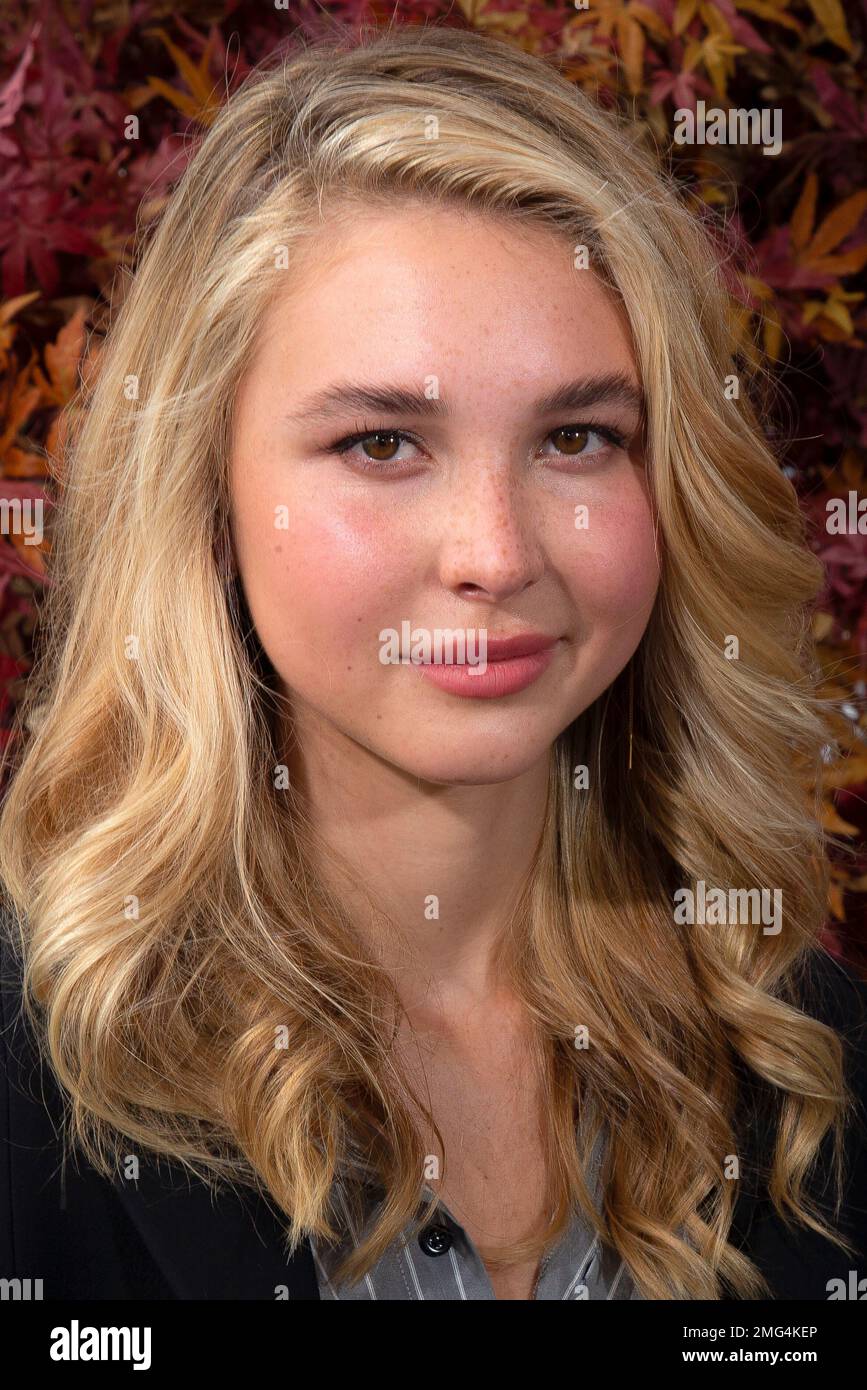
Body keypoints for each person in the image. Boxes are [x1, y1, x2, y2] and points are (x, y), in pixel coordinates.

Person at [0, 21, 865, 1302]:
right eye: (382, 445)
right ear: (206, 497)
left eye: (577, 435)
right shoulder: (28, 1067)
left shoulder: (805, 1056)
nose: (496, 553)